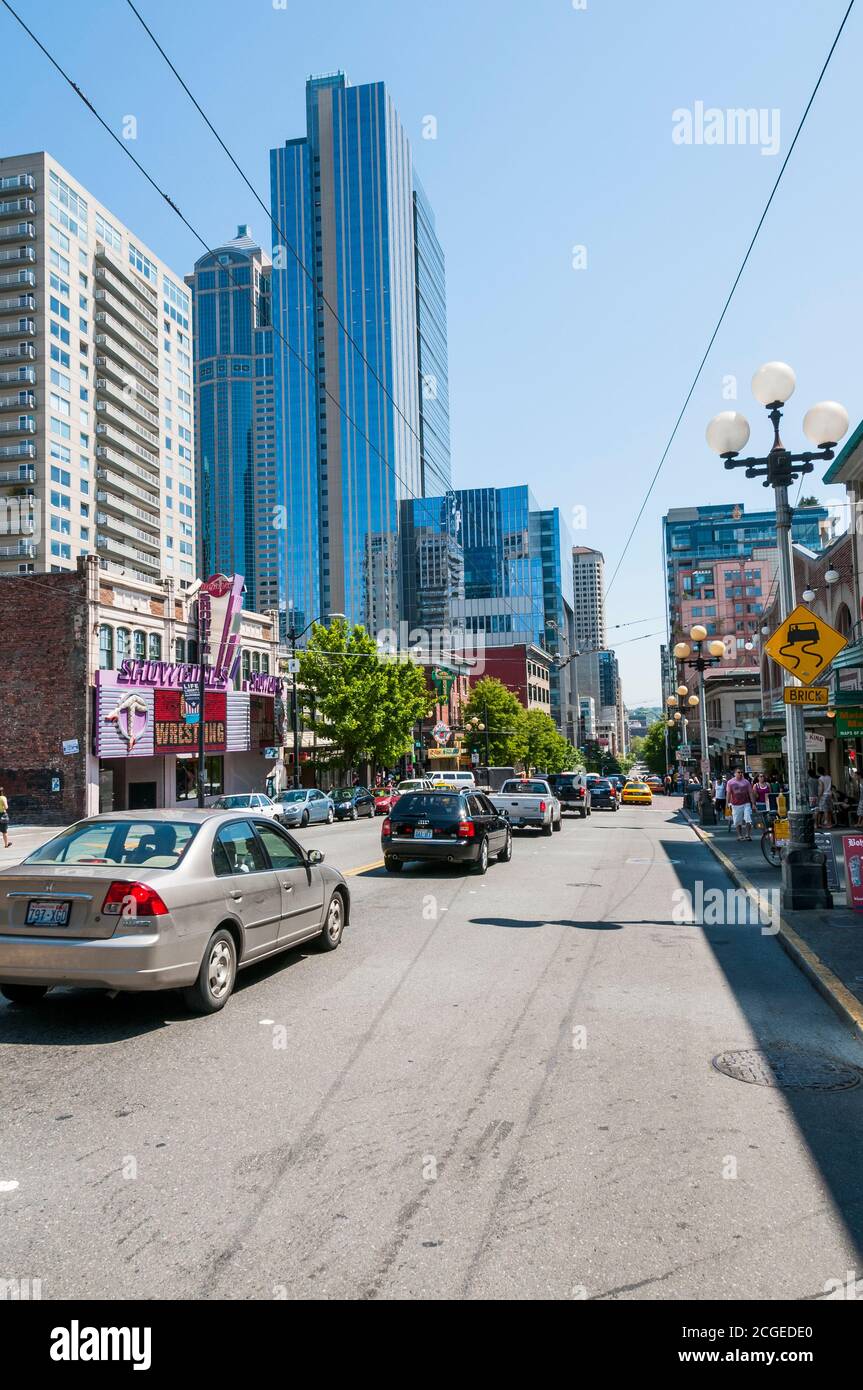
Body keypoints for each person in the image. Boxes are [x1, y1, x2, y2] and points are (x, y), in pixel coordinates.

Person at [726, 766, 755, 842]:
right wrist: (727, 803)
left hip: (746, 803)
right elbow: (728, 793)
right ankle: (739, 835)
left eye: (741, 772)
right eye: (739, 772)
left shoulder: (746, 782)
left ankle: (748, 835)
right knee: (737, 821)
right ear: (735, 773)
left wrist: (753, 803)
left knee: (748, 818)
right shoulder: (730, 782)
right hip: (735, 804)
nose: (740, 774)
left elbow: (750, 793)